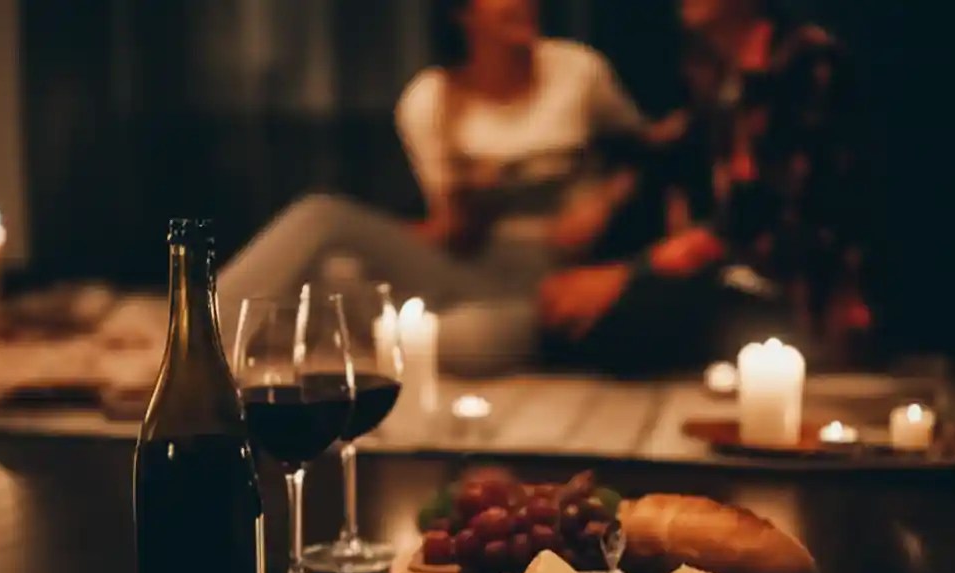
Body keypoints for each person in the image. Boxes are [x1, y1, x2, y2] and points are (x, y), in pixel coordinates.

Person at [217, 0, 652, 372]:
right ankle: (199, 336)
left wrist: (604, 205)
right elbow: (452, 233)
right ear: (463, 14)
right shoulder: (430, 99)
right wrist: (464, 204)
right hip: (468, 266)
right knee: (323, 223)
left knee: (458, 339)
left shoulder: (578, 71)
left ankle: (346, 324)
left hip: (550, 282)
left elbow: (645, 151)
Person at [538, 0, 871, 372]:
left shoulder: (804, 58)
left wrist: (628, 278)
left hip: (797, 298)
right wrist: (605, 202)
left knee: (622, 321)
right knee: (570, 314)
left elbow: (756, 215)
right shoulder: (715, 70)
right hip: (730, 277)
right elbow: (667, 152)